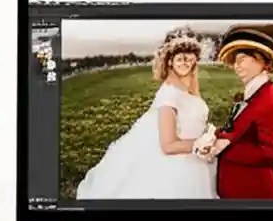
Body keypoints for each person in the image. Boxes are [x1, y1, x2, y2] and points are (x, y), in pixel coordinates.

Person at [74, 30, 216, 200]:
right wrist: (199, 143)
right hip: (180, 159)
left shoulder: (188, 87)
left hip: (198, 155)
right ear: (170, 62)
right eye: (180, 59)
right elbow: (168, 145)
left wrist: (207, 138)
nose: (185, 63)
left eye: (190, 59)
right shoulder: (169, 96)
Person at [201, 27, 273, 199]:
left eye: (241, 59)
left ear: (261, 60)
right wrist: (215, 137)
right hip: (239, 190)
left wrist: (225, 148)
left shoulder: (271, 100)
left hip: (255, 192)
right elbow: (239, 130)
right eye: (234, 62)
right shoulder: (254, 94)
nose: (236, 66)